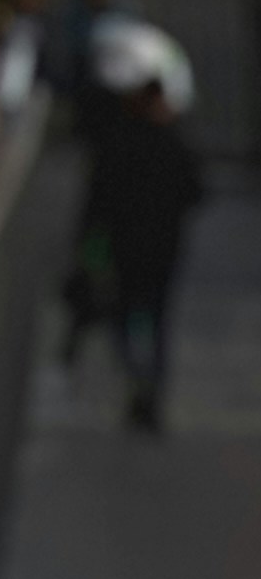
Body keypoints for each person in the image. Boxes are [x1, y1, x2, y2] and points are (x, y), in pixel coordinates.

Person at [79, 72, 204, 432]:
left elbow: (96, 202)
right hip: (164, 250)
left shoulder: (118, 142)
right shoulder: (175, 143)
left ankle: (140, 380)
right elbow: (196, 192)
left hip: (125, 249)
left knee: (122, 319)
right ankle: (152, 389)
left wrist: (88, 247)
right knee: (158, 322)